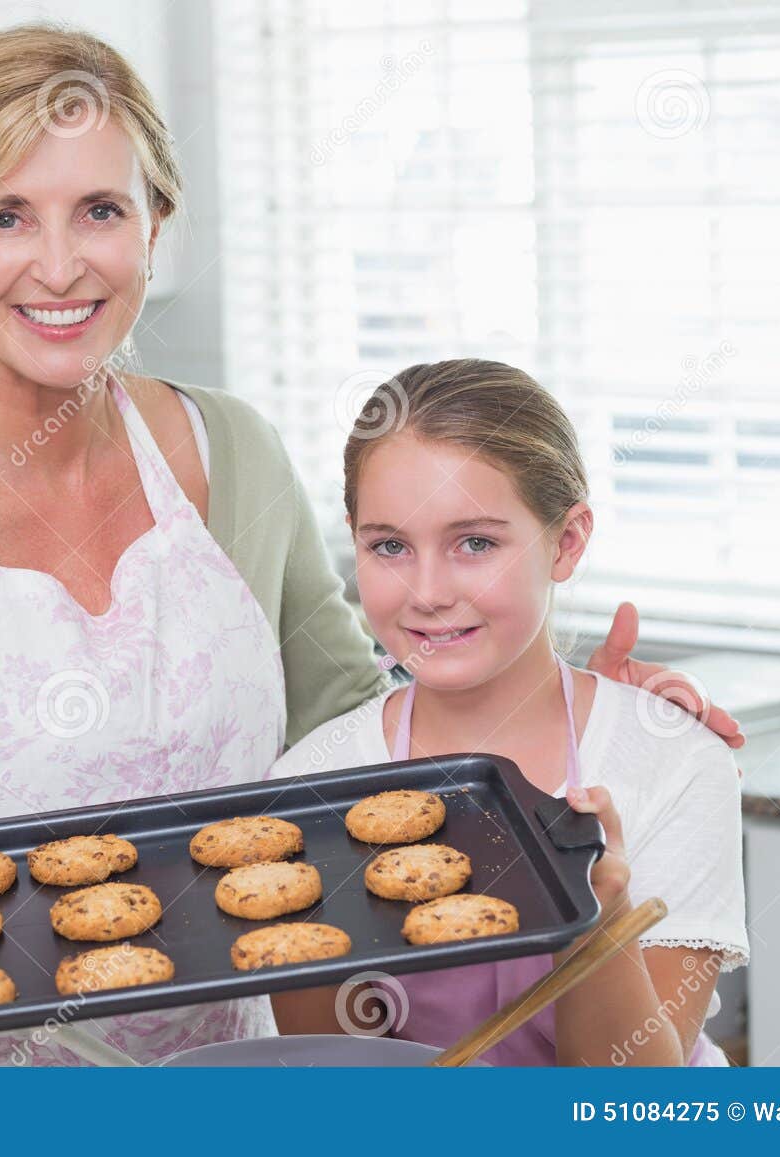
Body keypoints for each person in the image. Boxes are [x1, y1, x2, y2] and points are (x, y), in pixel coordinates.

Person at [0, 25, 741, 1067]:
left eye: (97, 209)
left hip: (263, 1084)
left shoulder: (236, 458)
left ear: (153, 224)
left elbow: (354, 749)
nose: (59, 264)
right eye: (3, 219)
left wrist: (584, 726)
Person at [268, 359, 748, 1065]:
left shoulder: (675, 763)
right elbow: (339, 1085)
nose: (427, 591)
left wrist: (596, 913)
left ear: (568, 540)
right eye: (390, 545)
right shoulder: (311, 786)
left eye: (476, 543)